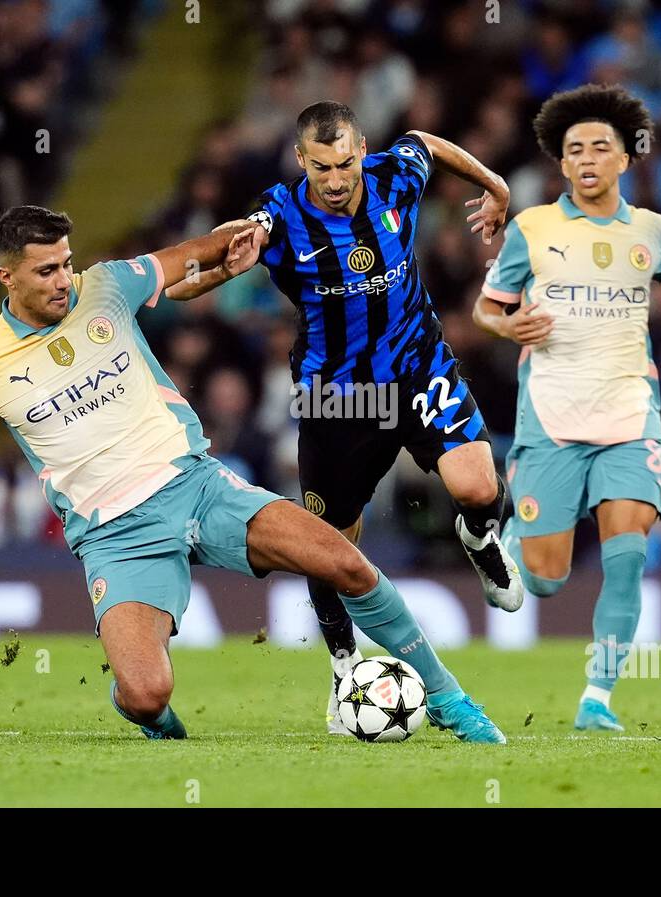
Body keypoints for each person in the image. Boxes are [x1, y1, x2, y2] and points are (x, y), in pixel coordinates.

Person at [0, 204, 506, 744]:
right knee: (143, 691)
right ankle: (158, 724)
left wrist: (234, 244)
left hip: (196, 483)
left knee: (346, 562)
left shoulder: (103, 286)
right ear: (6, 277)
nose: (62, 279)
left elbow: (188, 257)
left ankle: (451, 699)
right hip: (116, 536)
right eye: (46, 270)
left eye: (66, 263)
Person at [166, 101, 523, 734]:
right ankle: (343, 667)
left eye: (346, 162)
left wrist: (495, 186)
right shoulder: (276, 216)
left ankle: (478, 536)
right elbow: (182, 287)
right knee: (331, 547)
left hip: (418, 365)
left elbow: (427, 142)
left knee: (480, 486)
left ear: (362, 150)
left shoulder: (395, 175)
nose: (335, 178)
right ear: (301, 161)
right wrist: (225, 266)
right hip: (339, 400)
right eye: (322, 166)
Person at [473, 84, 661, 732]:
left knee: (628, 553)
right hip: (551, 416)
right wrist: (509, 327)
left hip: (628, 415)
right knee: (547, 580)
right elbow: (484, 309)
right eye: (574, 149)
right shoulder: (533, 228)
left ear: (625, 158)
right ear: (561, 162)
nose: (586, 158)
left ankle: (598, 699)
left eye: (599, 148)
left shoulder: (653, 232)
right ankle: (501, 540)